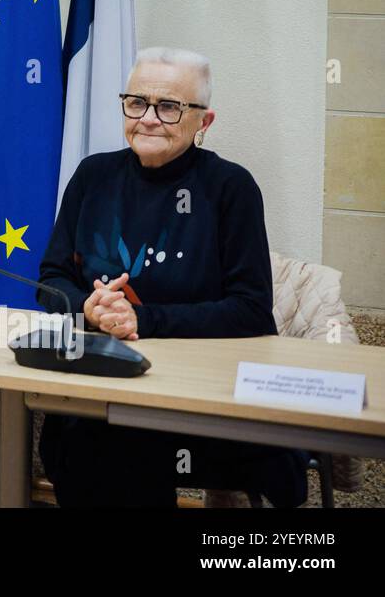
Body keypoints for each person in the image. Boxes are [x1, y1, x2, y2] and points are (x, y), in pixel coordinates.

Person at [37, 47, 308, 507]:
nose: (148, 119)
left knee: (124, 447)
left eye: (169, 107)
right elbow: (53, 276)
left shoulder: (230, 188)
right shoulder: (92, 176)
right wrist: (87, 308)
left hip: (204, 397)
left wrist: (143, 320)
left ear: (204, 121)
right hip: (108, 382)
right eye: (137, 102)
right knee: (82, 441)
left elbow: (249, 310)